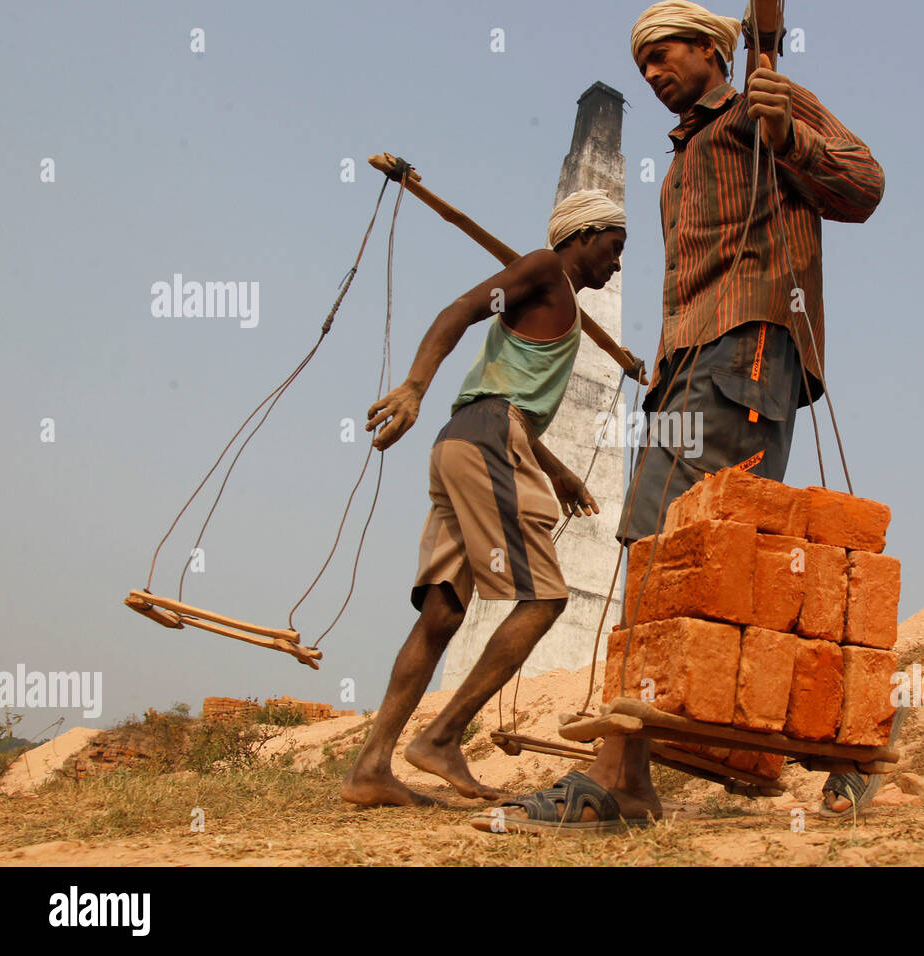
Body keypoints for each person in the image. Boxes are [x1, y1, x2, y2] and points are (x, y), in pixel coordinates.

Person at [476, 0, 885, 832]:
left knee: (704, 548)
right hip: (684, 366)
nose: (655, 75)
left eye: (665, 57)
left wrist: (788, 140)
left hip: (745, 348)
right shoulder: (687, 149)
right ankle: (649, 769)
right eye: (643, 68)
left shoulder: (766, 100)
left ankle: (627, 779)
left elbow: (864, 185)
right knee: (656, 548)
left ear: (711, 48)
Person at [341, 190, 627, 806]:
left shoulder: (560, 301)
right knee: (546, 597)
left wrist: (557, 472)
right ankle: (442, 739)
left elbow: (510, 400)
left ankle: (370, 770)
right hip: (488, 442)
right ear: (585, 235)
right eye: (614, 246)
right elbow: (460, 309)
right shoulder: (545, 268)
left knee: (442, 611)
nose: (617, 262)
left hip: (465, 443)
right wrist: (415, 385)